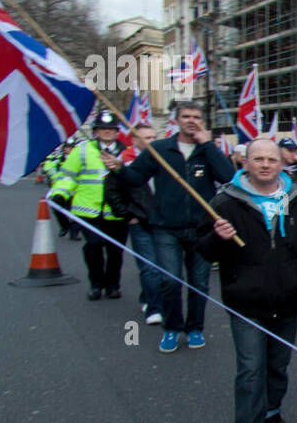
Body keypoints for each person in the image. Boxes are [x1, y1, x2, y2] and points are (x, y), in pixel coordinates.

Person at [196, 139, 297, 423]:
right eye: (258, 159)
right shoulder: (224, 203)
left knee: (278, 363)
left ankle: (271, 410)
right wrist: (218, 237)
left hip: (288, 299)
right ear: (246, 162)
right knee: (250, 367)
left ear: (281, 163)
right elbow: (202, 248)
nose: (266, 165)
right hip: (245, 300)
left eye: (271, 159)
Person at [108, 101, 235, 353]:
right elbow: (136, 177)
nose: (192, 120)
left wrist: (207, 144)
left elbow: (228, 176)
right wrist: (120, 169)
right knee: (170, 280)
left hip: (202, 230)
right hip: (166, 228)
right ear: (176, 120)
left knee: (199, 283)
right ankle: (172, 328)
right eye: (186, 116)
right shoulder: (159, 149)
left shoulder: (207, 151)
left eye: (197, 117)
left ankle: (195, 328)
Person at [48, 110, 129, 301]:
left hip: (117, 212)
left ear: (117, 131)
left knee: (115, 251)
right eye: (102, 128)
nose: (107, 132)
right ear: (95, 131)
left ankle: (113, 285)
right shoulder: (82, 150)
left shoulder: (127, 152)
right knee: (93, 246)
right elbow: (68, 176)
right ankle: (96, 283)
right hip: (88, 211)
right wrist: (60, 193)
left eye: (110, 129)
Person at [105, 124, 163, 325]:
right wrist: (128, 214)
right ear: (135, 141)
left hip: (164, 221)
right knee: (149, 266)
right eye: (147, 137)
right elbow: (112, 191)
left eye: (154, 136)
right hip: (140, 221)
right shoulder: (124, 163)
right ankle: (155, 309)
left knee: (164, 266)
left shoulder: (164, 160)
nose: (152, 140)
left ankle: (148, 297)